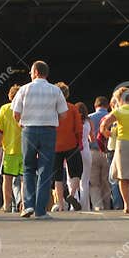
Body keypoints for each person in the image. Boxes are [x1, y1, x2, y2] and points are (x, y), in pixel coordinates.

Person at [13, 60, 68, 219]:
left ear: (36, 72)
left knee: (28, 167)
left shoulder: (24, 89)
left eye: (31, 72)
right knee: (45, 170)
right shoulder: (55, 90)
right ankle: (40, 210)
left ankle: (28, 205)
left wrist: (22, 124)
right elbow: (63, 114)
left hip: (28, 130)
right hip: (48, 131)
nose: (30, 75)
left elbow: (15, 113)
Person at [52, 83, 83, 212]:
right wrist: (79, 142)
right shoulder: (72, 108)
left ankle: (60, 204)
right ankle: (72, 194)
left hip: (54, 145)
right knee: (76, 172)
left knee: (57, 176)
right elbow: (78, 128)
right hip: (71, 144)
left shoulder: (51, 109)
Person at [0, 84, 23, 213]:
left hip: (9, 150)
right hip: (24, 149)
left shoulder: (4, 109)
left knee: (7, 179)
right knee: (24, 179)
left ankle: (7, 205)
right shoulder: (25, 109)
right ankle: (24, 203)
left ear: (9, 96)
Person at [88, 96, 112, 210]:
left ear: (95, 106)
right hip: (108, 152)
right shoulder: (112, 117)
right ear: (107, 106)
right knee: (106, 181)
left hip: (92, 152)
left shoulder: (89, 118)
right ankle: (107, 205)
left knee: (94, 182)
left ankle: (98, 205)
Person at [76, 102, 92, 211]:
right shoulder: (88, 122)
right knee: (85, 180)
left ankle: (75, 203)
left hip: (74, 151)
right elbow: (92, 138)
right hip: (86, 151)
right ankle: (85, 206)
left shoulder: (73, 121)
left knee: (71, 179)